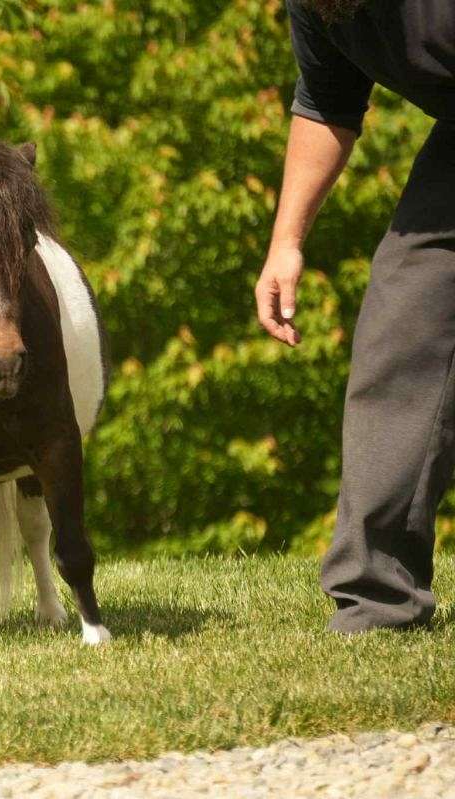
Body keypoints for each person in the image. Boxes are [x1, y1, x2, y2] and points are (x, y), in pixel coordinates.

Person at [255, 0, 454, 633]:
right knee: (407, 309)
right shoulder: (320, 9)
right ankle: (376, 600)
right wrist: (285, 243)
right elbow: (327, 103)